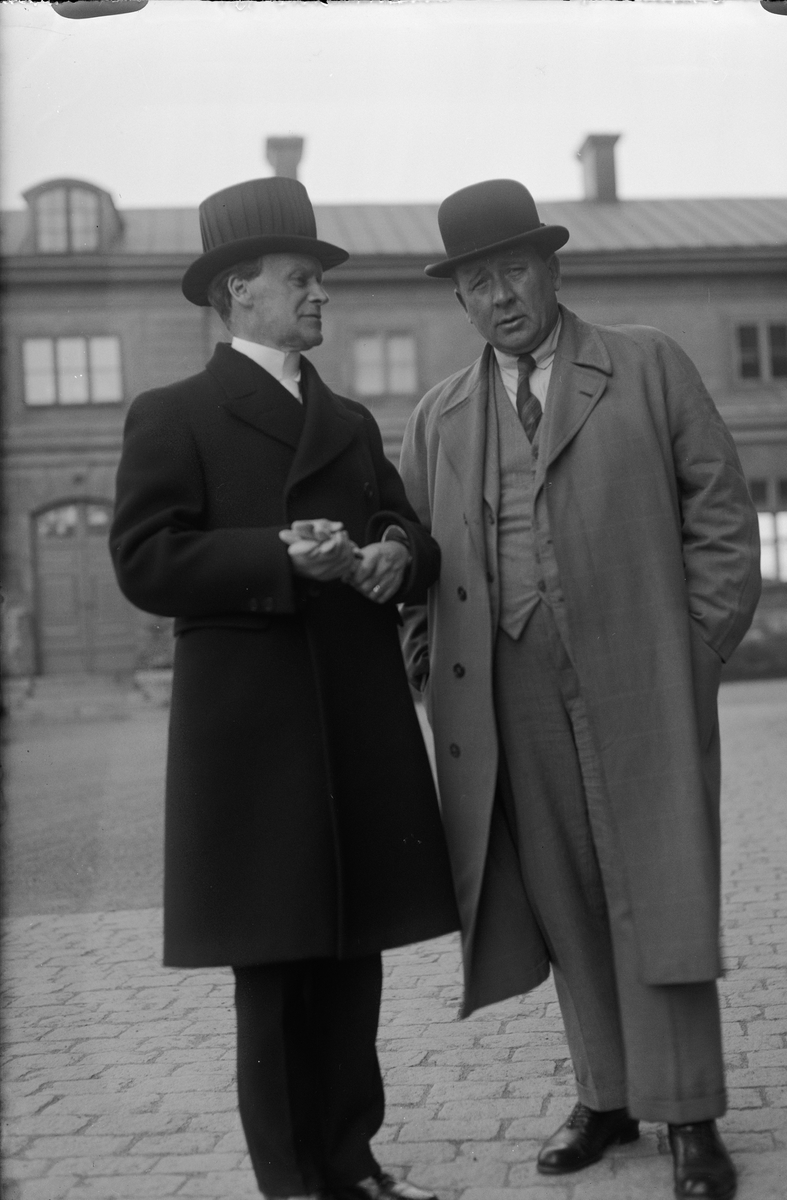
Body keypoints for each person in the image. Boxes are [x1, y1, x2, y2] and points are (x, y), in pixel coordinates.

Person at [399, 179, 761, 1200]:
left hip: (639, 672)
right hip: (504, 688)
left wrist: (690, 653)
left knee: (659, 884)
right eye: (477, 282)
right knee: (561, 893)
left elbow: (722, 519)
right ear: (459, 300)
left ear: (554, 267)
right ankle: (606, 1095)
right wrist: (433, 672)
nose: (501, 294)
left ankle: (690, 1113)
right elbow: (419, 568)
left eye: (515, 268)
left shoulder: (646, 366)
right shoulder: (438, 417)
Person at [110, 175, 460, 1200]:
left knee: (354, 958)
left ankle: (351, 1164)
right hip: (253, 735)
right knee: (272, 969)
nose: (319, 297)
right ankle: (291, 1182)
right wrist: (275, 557)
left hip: (352, 717)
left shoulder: (347, 420)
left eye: (319, 281)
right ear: (236, 292)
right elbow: (144, 560)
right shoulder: (174, 414)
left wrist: (399, 555)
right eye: (299, 279)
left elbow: (413, 533)